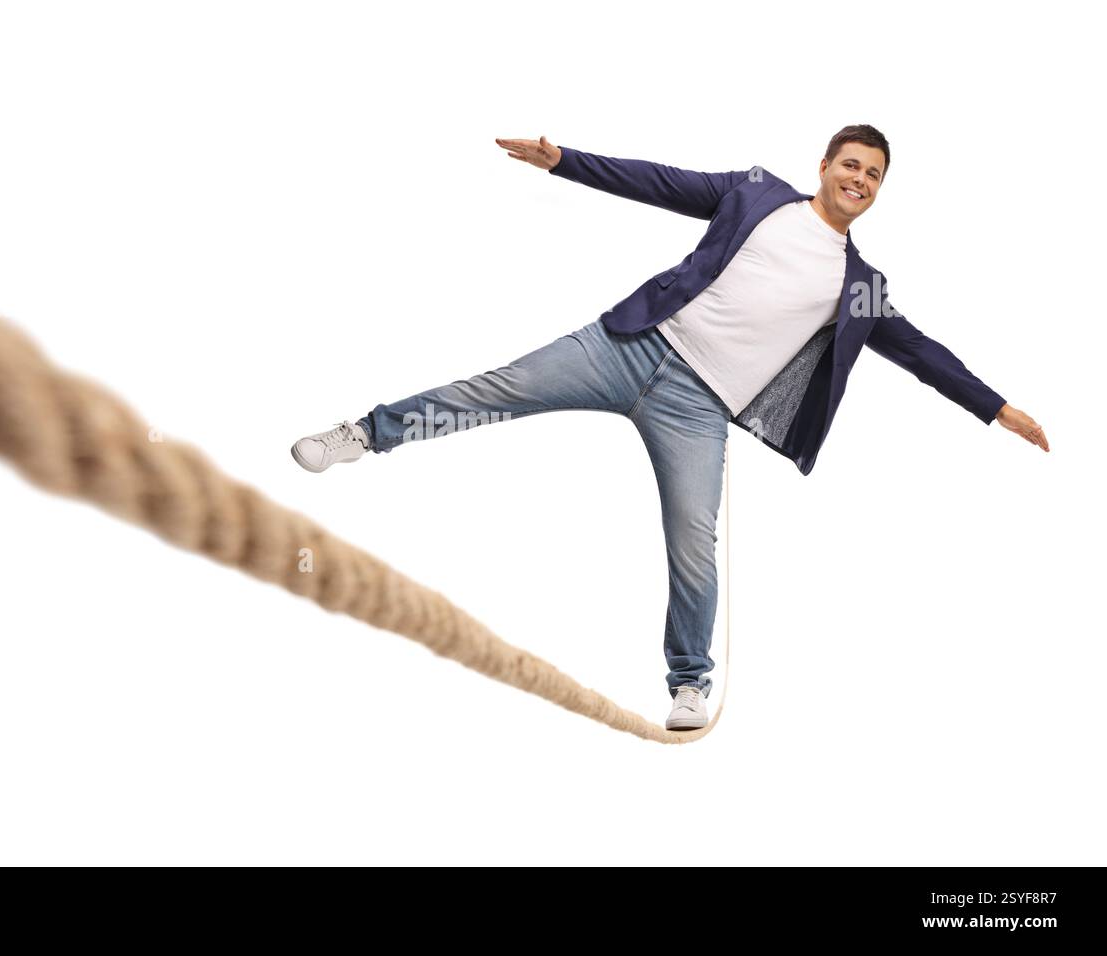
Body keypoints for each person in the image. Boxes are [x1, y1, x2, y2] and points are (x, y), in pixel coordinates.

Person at [291, 126, 1049, 732]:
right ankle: (364, 434)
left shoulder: (858, 289)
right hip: (630, 346)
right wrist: (564, 162)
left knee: (694, 544)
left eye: (874, 175)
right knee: (497, 389)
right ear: (823, 165)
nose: (859, 179)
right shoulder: (755, 195)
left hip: (698, 408)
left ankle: (689, 682)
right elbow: (657, 183)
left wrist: (997, 407)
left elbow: (922, 353)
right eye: (851, 164)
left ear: (879, 192)